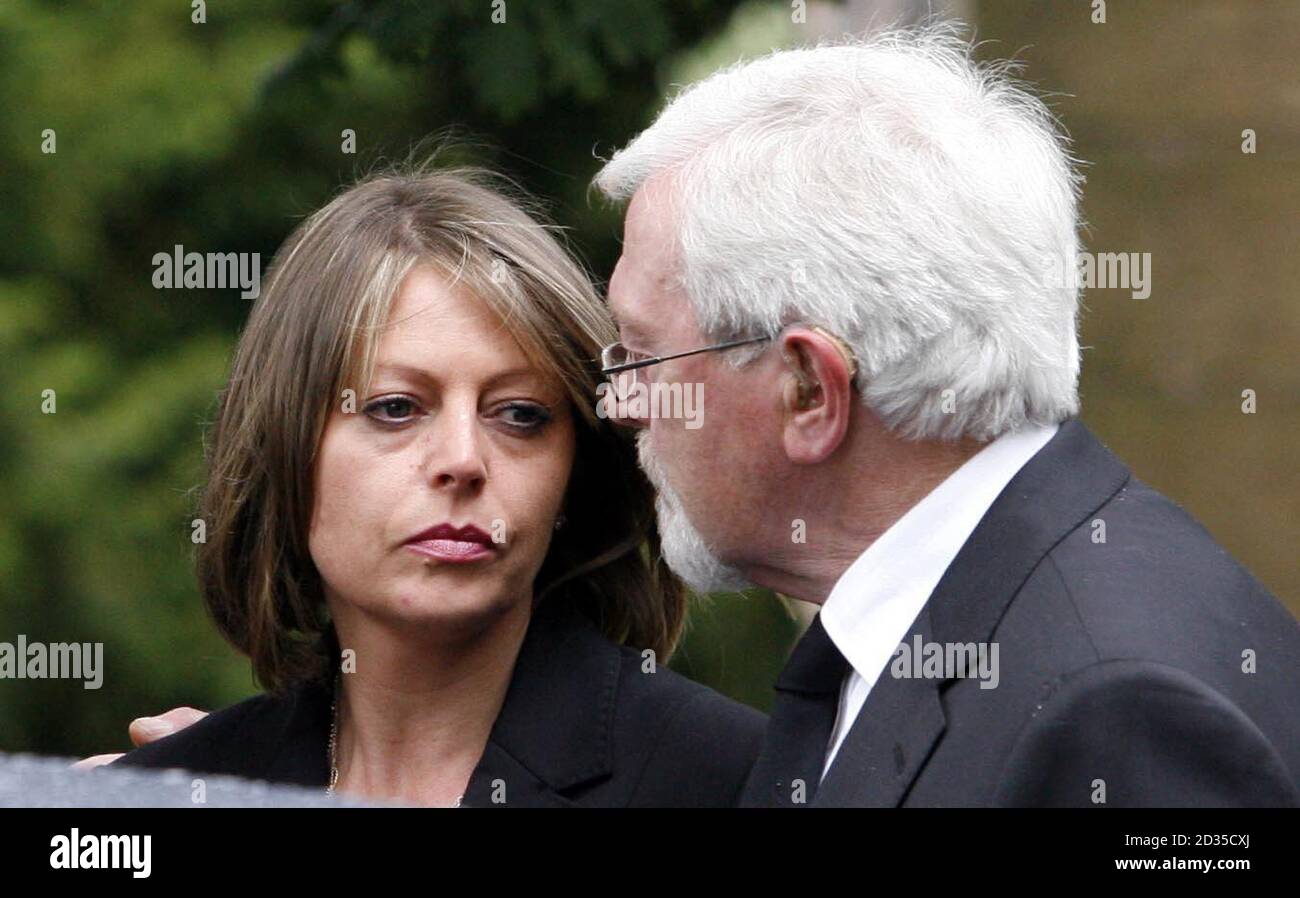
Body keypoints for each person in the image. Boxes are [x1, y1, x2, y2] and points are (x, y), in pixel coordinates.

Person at [588, 26, 1300, 806]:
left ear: (809, 391)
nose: (622, 404)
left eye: (640, 354)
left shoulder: (1117, 713)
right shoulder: (942, 624)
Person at [106, 163, 764, 807]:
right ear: (286, 447)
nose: (462, 459)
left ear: (574, 475)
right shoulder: (163, 794)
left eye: (520, 415)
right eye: (396, 408)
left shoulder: (734, 779)